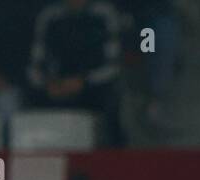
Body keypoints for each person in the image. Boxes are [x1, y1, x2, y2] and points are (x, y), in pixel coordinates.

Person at [25, 0, 125, 146]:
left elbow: (114, 65)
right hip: (57, 85)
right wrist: (48, 83)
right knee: (30, 98)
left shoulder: (104, 14)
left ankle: (109, 154)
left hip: (94, 85)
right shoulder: (49, 16)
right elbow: (35, 64)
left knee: (112, 98)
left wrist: (84, 81)